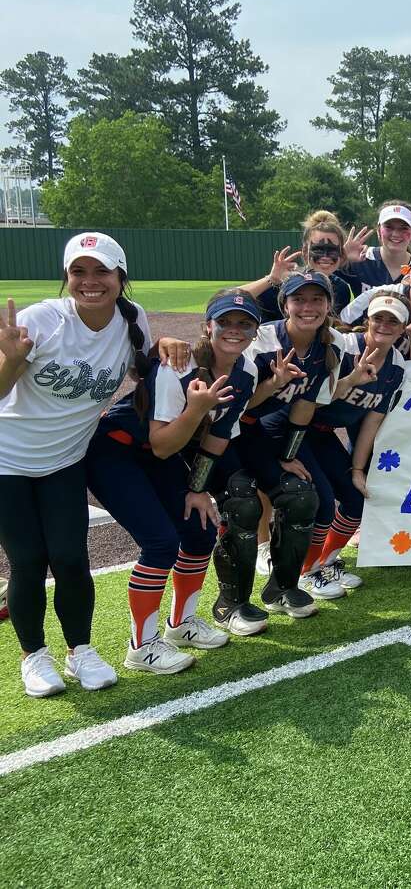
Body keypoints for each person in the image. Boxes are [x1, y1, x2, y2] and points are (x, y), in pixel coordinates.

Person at [0, 233, 153, 696]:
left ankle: (80, 650)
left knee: (69, 557)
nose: (90, 282)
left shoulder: (132, 320)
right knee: (27, 561)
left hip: (65, 461)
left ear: (120, 278)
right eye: (78, 272)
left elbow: (143, 374)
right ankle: (34, 656)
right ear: (66, 278)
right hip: (7, 461)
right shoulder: (41, 320)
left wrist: (171, 353)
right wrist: (11, 360)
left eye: (101, 271)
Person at [86, 290, 265, 673]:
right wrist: (198, 407)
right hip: (116, 451)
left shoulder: (246, 372)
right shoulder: (178, 366)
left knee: (200, 530)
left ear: (254, 331)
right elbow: (164, 445)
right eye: (225, 322)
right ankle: (141, 647)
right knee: (161, 542)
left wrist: (198, 489)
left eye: (244, 323)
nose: (234, 330)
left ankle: (180, 625)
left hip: (156, 455)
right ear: (208, 326)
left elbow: (217, 438)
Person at [276, 294, 408, 599]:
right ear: (368, 320)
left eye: (393, 320)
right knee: (321, 500)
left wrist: (358, 469)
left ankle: (326, 560)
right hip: (295, 425)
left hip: (321, 433)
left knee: (354, 497)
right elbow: (316, 398)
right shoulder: (343, 345)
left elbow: (372, 422)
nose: (384, 325)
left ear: (403, 328)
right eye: (378, 318)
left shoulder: (397, 367)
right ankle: (306, 573)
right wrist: (351, 379)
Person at [237, 271, 345, 618]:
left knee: (321, 501)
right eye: (299, 299)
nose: (308, 307)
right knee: (243, 504)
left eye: (317, 299)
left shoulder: (332, 346)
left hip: (273, 427)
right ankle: (236, 600)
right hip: (234, 429)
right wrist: (273, 383)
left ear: (329, 305)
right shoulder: (262, 341)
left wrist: (287, 455)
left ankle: (287, 583)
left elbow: (304, 406)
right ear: (284, 304)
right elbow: (238, 406)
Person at [241, 211, 357, 321]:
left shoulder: (341, 289)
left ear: (340, 253)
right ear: (305, 252)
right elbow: (228, 299)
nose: (325, 256)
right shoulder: (285, 282)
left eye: (332, 250)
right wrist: (271, 279)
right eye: (318, 249)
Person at [343, 201, 411, 292]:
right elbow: (324, 282)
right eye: (389, 227)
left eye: (404, 228)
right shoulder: (361, 259)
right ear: (378, 230)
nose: (396, 234)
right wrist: (341, 258)